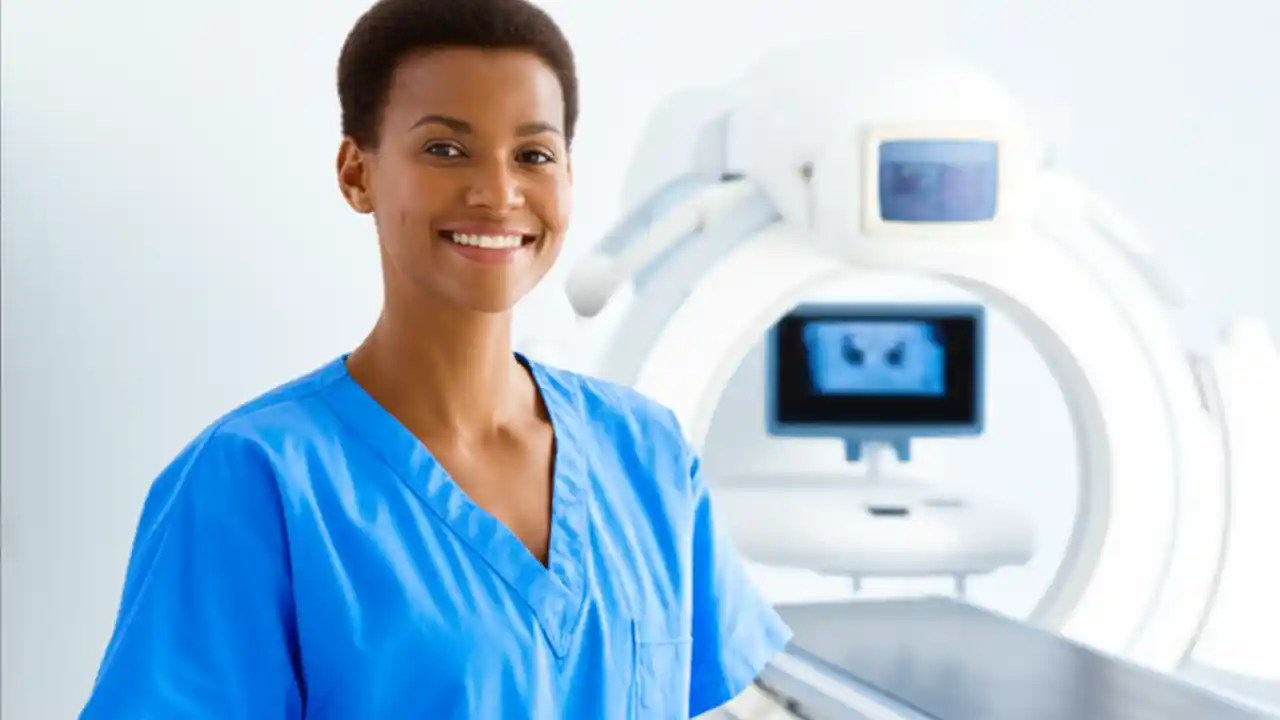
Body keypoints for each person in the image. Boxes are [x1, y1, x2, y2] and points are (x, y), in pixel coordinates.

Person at [79, 0, 791, 717]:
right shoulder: (256, 479)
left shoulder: (647, 454)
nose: (498, 192)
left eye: (533, 155)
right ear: (357, 173)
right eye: (446, 150)